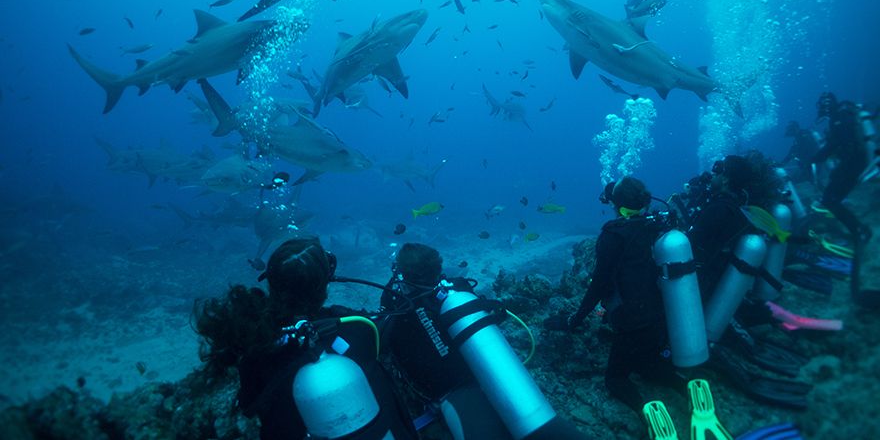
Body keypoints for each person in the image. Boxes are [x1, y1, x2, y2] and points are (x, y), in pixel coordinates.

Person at [194, 237, 418, 440]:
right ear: (325, 288)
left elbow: (249, 404)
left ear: (271, 282)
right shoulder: (357, 325)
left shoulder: (254, 346)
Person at [544, 176, 685, 415]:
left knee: (615, 379)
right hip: (661, 317)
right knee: (649, 368)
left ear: (616, 205)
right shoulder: (655, 226)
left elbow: (599, 284)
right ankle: (687, 389)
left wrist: (574, 321)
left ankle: (648, 414)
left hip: (632, 322)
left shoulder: (613, 235)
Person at [379, 243, 513, 440]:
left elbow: (381, 346)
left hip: (451, 396)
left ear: (402, 274)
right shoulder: (459, 290)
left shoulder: (399, 308)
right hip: (494, 373)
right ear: (438, 268)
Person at [687, 152, 783, 301]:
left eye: (717, 170)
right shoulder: (737, 204)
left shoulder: (718, 209)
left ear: (725, 179)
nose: (712, 174)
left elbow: (691, 244)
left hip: (700, 285)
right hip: (717, 279)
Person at [813, 91, 873, 243]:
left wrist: (817, 158)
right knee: (832, 196)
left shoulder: (839, 117)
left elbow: (839, 144)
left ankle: (859, 231)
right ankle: (858, 230)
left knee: (829, 199)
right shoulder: (842, 113)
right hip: (856, 161)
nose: (820, 108)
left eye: (822, 104)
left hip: (854, 163)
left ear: (827, 104)